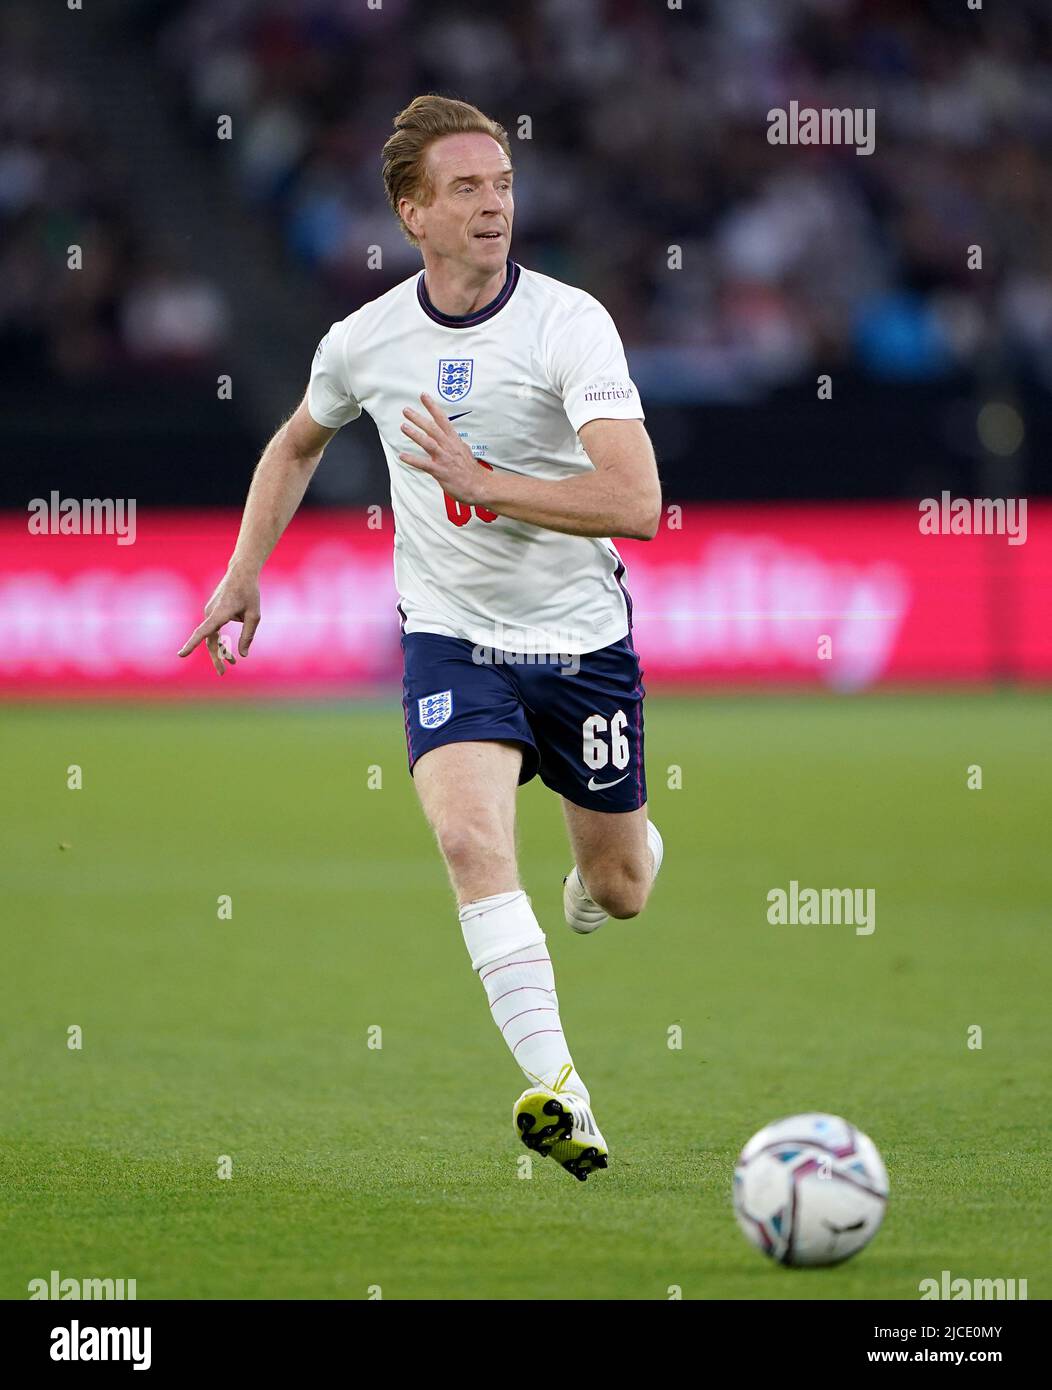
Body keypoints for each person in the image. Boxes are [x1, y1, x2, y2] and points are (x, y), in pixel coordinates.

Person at [179, 95, 664, 1182]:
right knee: (466, 842)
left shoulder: (567, 322)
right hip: (451, 637)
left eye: (501, 185)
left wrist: (481, 483)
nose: (493, 206)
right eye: (465, 190)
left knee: (621, 884)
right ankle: (563, 1095)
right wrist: (241, 570)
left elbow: (635, 499)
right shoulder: (364, 340)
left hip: (581, 642)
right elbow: (296, 442)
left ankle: (604, 872)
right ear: (413, 214)